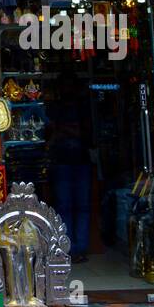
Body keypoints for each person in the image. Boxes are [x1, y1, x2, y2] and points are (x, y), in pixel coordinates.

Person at [47, 81, 93, 262]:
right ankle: (69, 247)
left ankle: (78, 248)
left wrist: (64, 130)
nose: (67, 89)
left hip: (78, 161)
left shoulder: (81, 108)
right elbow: (52, 131)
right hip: (63, 161)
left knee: (79, 206)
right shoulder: (57, 108)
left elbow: (86, 133)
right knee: (66, 206)